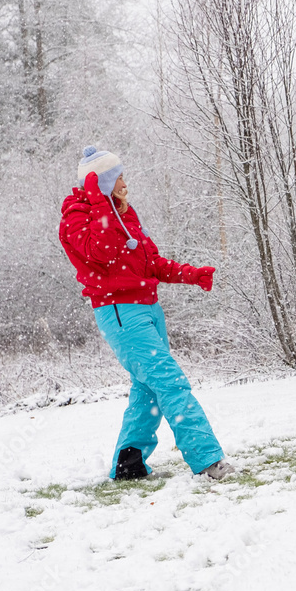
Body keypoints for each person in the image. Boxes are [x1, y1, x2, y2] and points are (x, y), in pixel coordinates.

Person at [59, 146, 235, 480]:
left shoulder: (124, 213)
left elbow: (149, 262)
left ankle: (130, 463)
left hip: (149, 309)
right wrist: (99, 202)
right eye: (118, 177)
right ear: (101, 183)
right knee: (170, 383)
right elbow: (102, 252)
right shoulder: (76, 218)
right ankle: (208, 459)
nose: (125, 182)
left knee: (148, 389)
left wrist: (190, 274)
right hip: (120, 312)